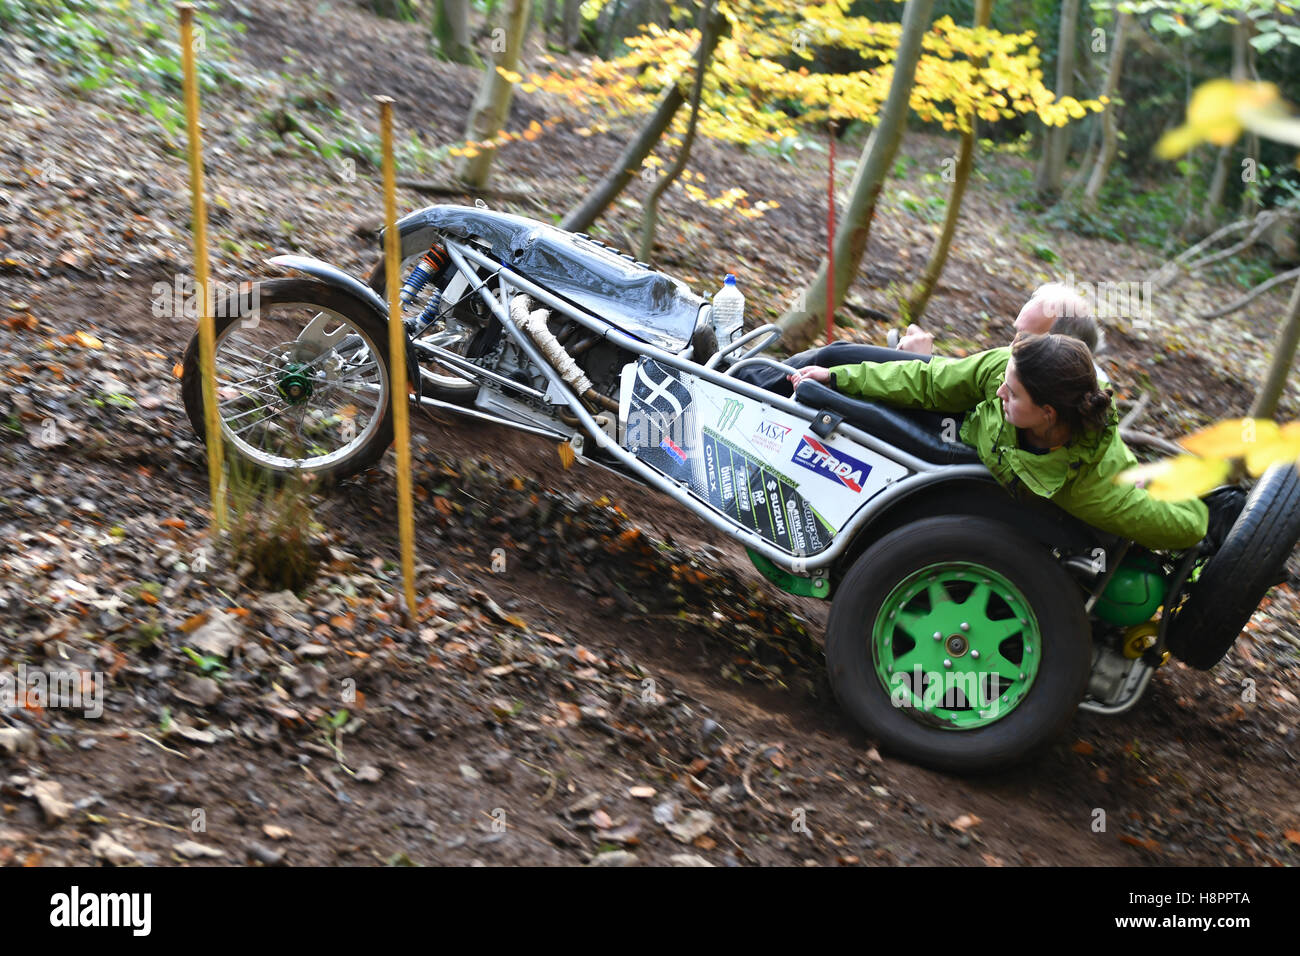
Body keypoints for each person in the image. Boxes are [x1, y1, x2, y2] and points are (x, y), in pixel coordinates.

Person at [787, 332, 1211, 552]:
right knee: (834, 358)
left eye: (1013, 393)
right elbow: (929, 381)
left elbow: (1192, 524)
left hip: (995, 493)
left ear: (1047, 413)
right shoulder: (1007, 371)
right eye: (1005, 383)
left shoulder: (1093, 491)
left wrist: (1156, 484)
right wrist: (842, 378)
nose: (1001, 392)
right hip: (956, 433)